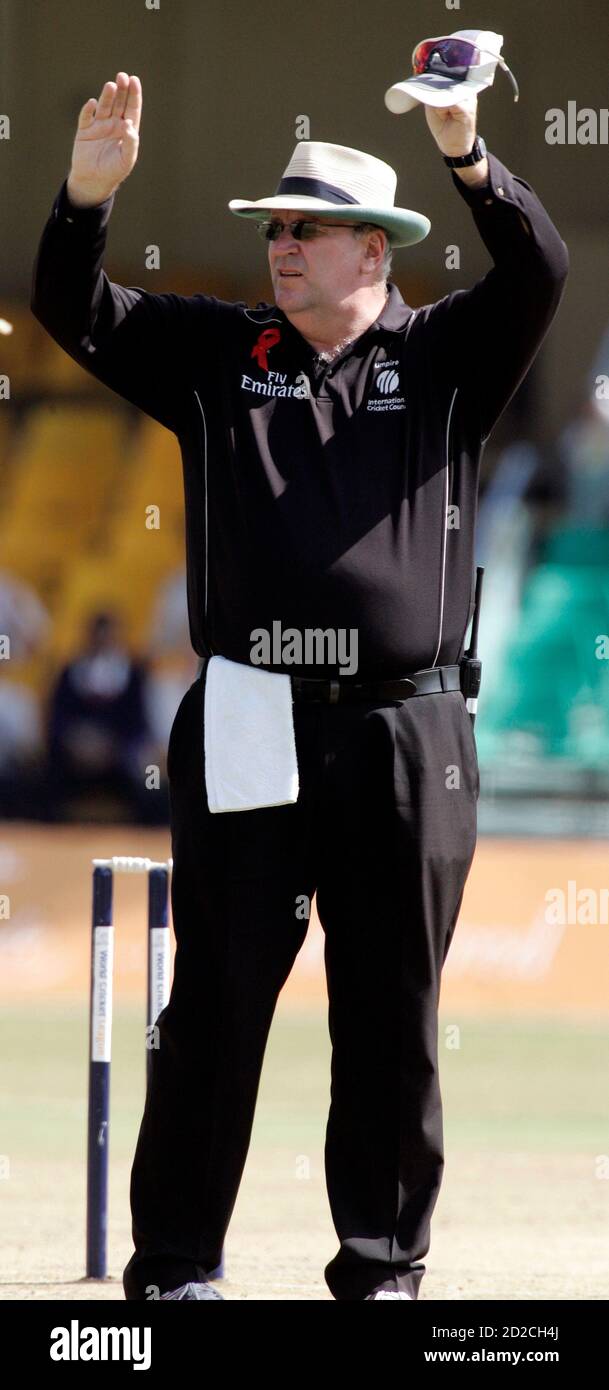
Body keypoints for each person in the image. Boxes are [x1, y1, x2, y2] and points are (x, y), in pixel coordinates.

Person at [31, 73, 568, 1301]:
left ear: (371, 250)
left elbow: (538, 270)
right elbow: (78, 305)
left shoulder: (443, 355)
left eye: (304, 226)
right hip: (247, 715)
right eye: (274, 225)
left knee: (388, 1019)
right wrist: (85, 197)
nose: (279, 243)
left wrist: (468, 151)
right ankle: (175, 1267)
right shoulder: (223, 353)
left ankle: (382, 1270)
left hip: (402, 725)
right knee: (214, 1005)